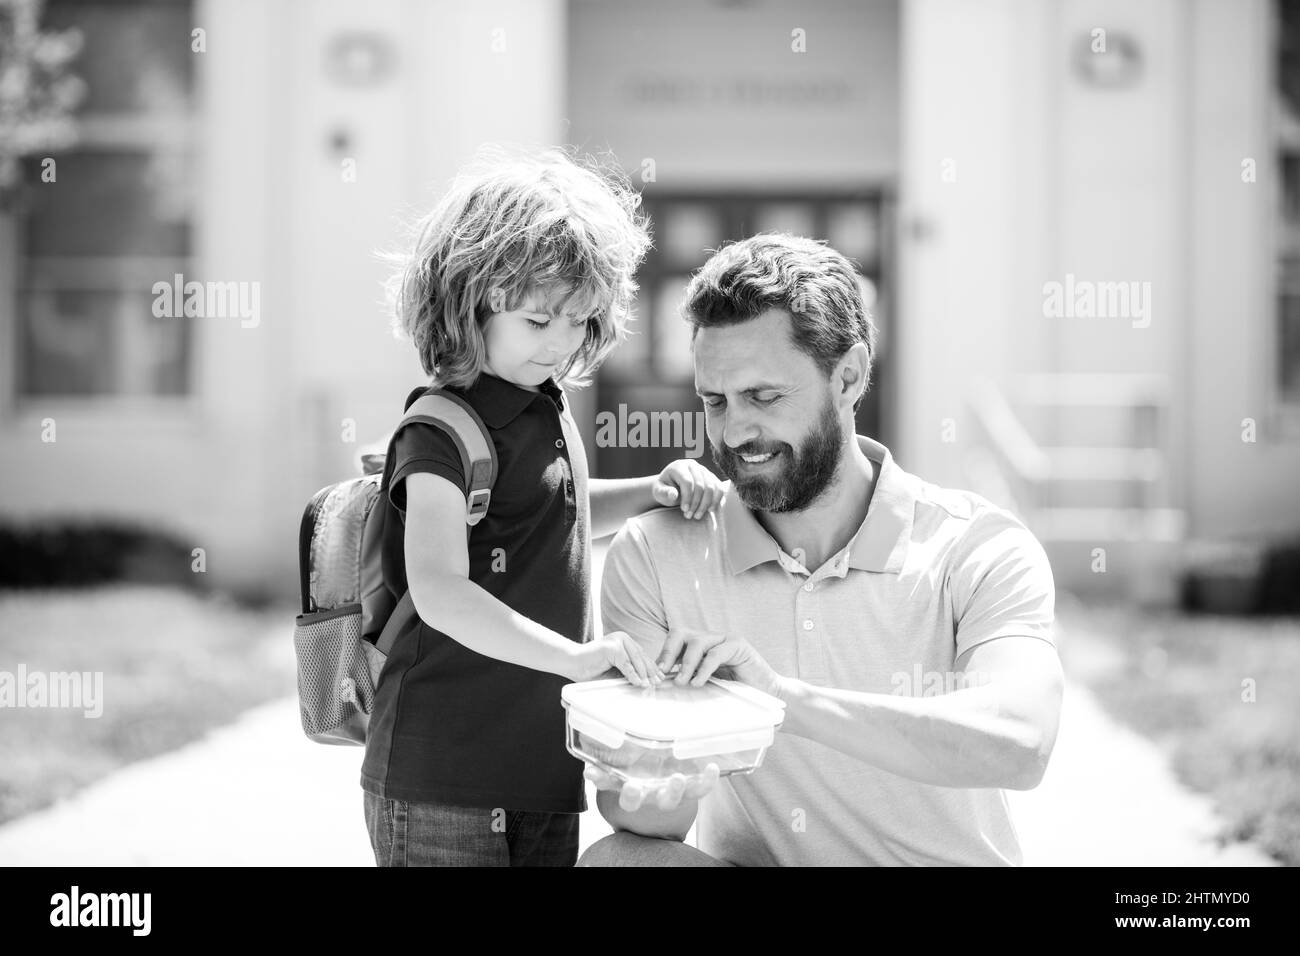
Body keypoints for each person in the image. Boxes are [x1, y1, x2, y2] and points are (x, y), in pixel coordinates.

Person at [580, 233, 1064, 866]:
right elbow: (645, 821)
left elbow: (1020, 743)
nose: (734, 432)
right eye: (714, 401)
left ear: (849, 376)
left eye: (765, 396)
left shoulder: (975, 546)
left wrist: (777, 700)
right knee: (621, 862)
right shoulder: (652, 553)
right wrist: (662, 765)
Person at [361, 147, 726, 867]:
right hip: (443, 779)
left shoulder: (541, 406)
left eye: (579, 322)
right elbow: (439, 588)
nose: (560, 345)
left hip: (541, 774)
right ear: (469, 302)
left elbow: (549, 510)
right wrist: (578, 659)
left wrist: (648, 492)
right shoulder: (437, 431)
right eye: (537, 322)